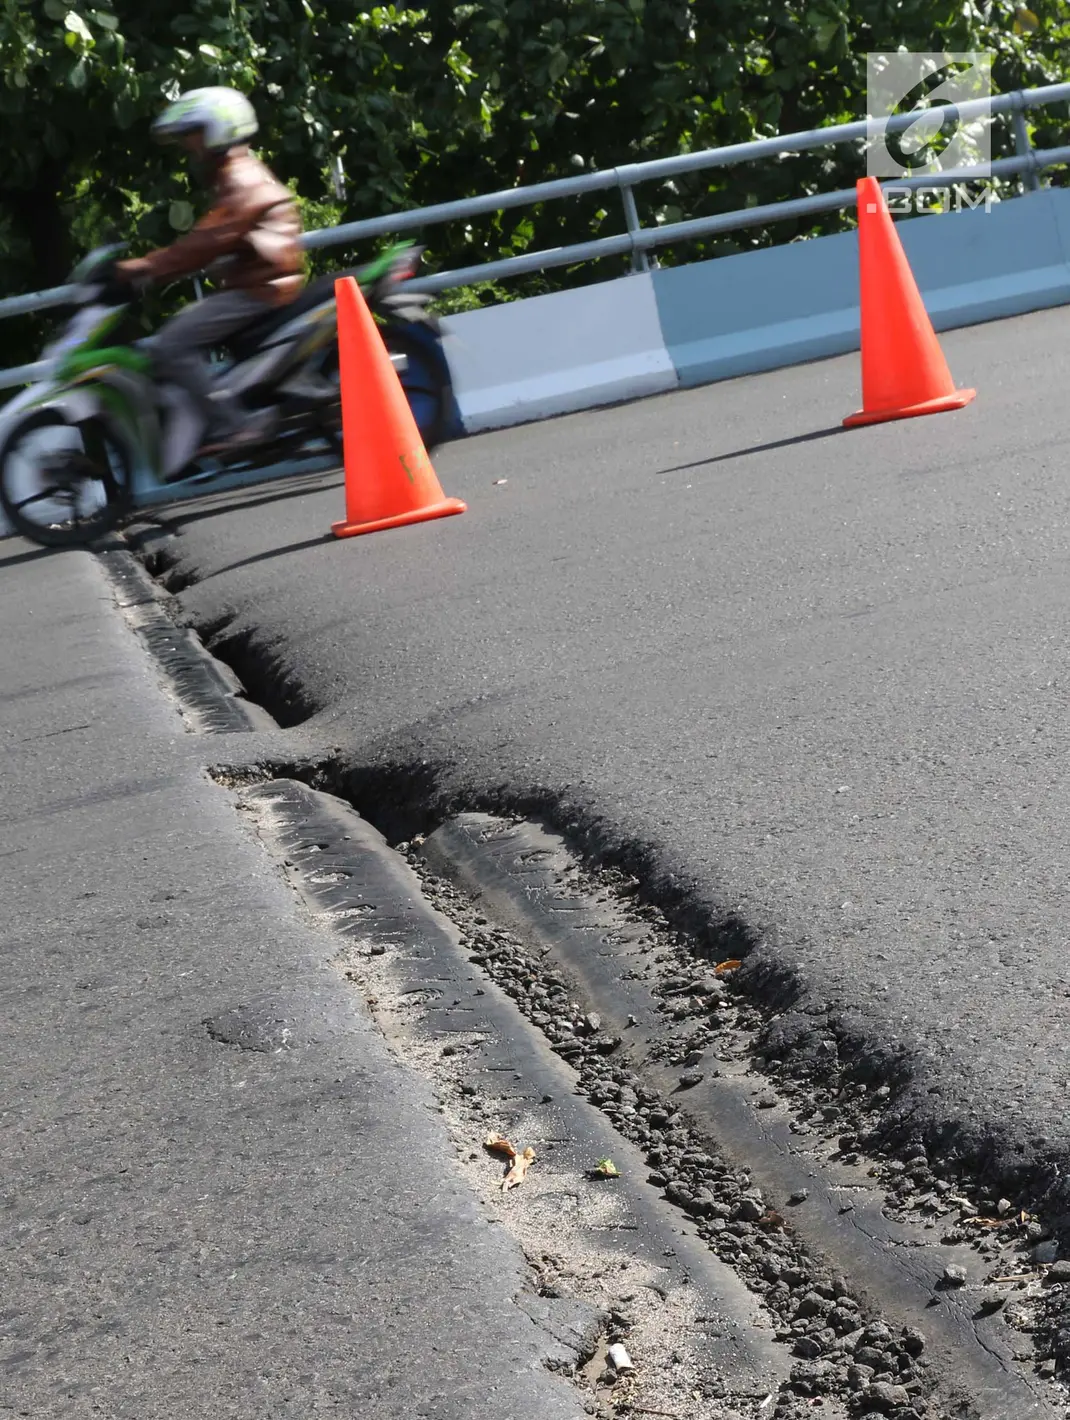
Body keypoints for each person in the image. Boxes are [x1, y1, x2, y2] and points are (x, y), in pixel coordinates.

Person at [109, 87, 306, 455]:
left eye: (193, 133)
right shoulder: (238, 172)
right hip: (257, 284)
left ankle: (235, 424)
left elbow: (205, 242)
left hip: (257, 291)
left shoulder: (239, 178)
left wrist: (141, 268)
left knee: (171, 345)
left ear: (218, 128)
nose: (189, 144)